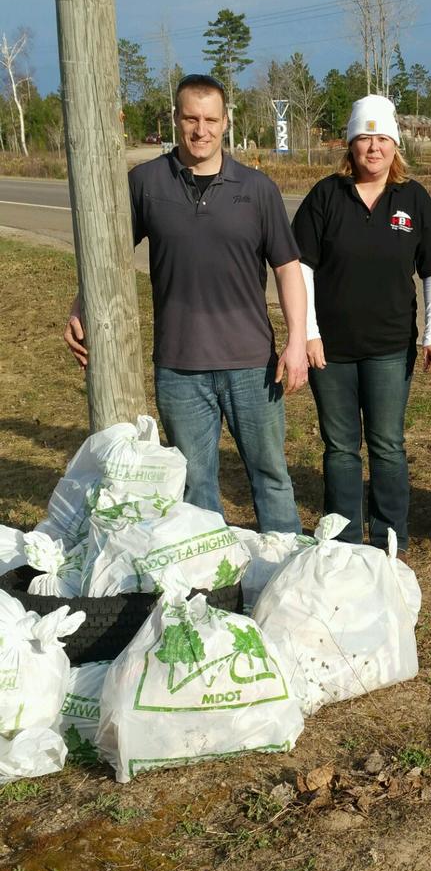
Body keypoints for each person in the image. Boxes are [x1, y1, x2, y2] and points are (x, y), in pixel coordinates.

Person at [64, 74, 306, 533]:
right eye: (191, 118)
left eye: (211, 119)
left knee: (272, 478)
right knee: (196, 486)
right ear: (175, 119)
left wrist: (298, 341)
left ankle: (284, 576)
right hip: (179, 368)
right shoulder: (145, 183)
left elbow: (288, 269)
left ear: (226, 122)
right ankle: (210, 586)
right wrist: (82, 305)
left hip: (252, 365)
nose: (201, 130)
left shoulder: (257, 189)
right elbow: (109, 257)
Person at [291, 95, 431, 556]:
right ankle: (341, 540)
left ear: (396, 145)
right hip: (332, 350)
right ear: (350, 143)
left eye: (383, 137)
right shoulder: (326, 196)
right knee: (340, 448)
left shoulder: (413, 199)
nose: (374, 147)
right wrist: (308, 331)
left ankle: (389, 540)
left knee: (387, 445)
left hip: (389, 348)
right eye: (365, 137)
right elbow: (300, 267)